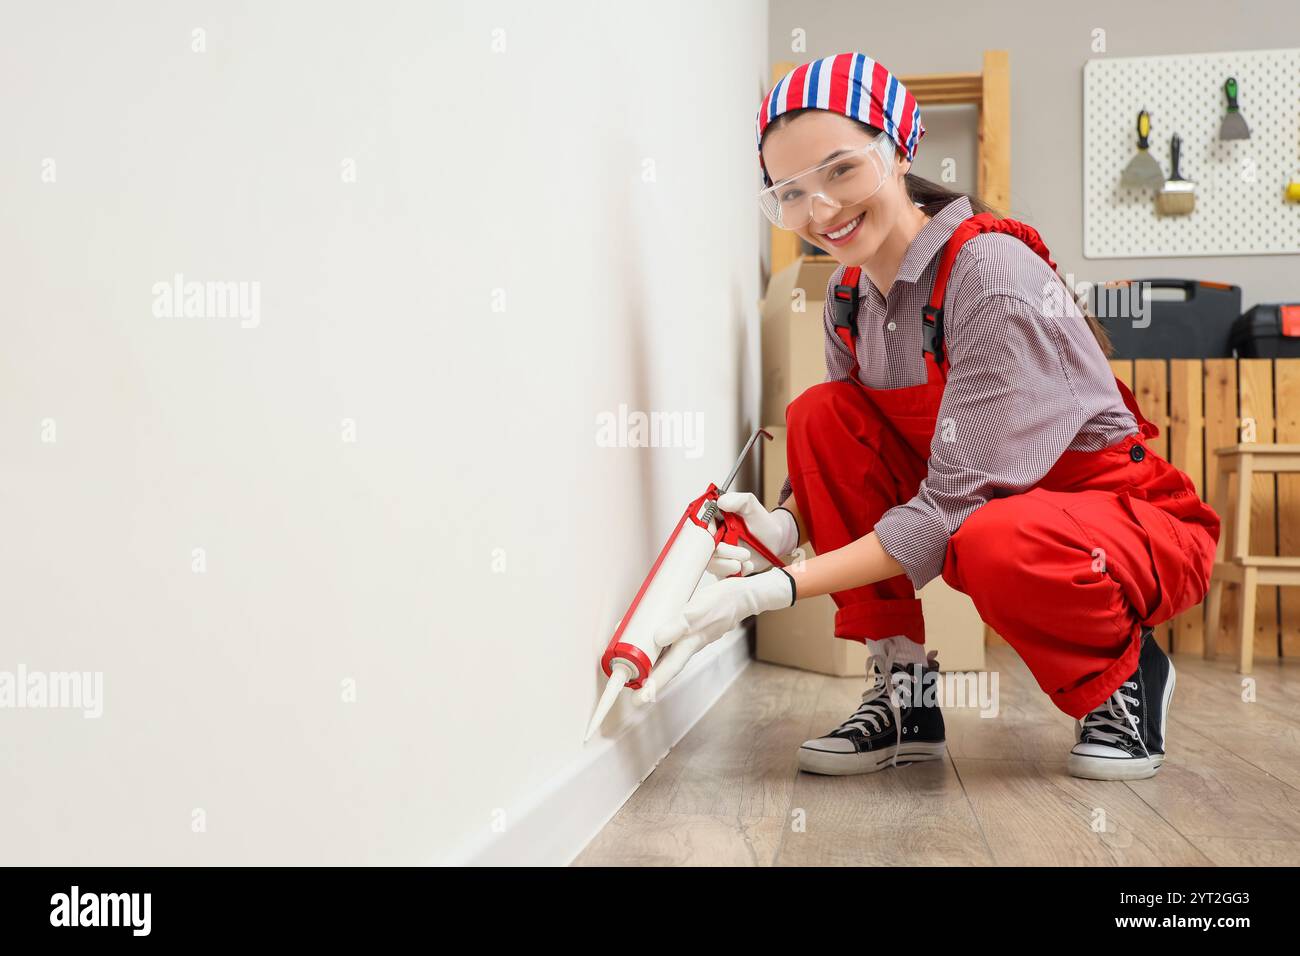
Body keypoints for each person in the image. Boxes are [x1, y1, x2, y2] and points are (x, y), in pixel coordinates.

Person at [643, 53, 1220, 782]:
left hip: (1121, 520)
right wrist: (787, 525)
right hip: (988, 506)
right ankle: (905, 693)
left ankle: (1125, 678)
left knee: (992, 539)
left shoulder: (988, 275)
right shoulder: (850, 298)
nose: (819, 212)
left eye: (840, 171)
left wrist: (776, 588)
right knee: (820, 414)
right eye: (790, 193)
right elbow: (848, 453)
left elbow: (947, 511)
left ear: (899, 150)